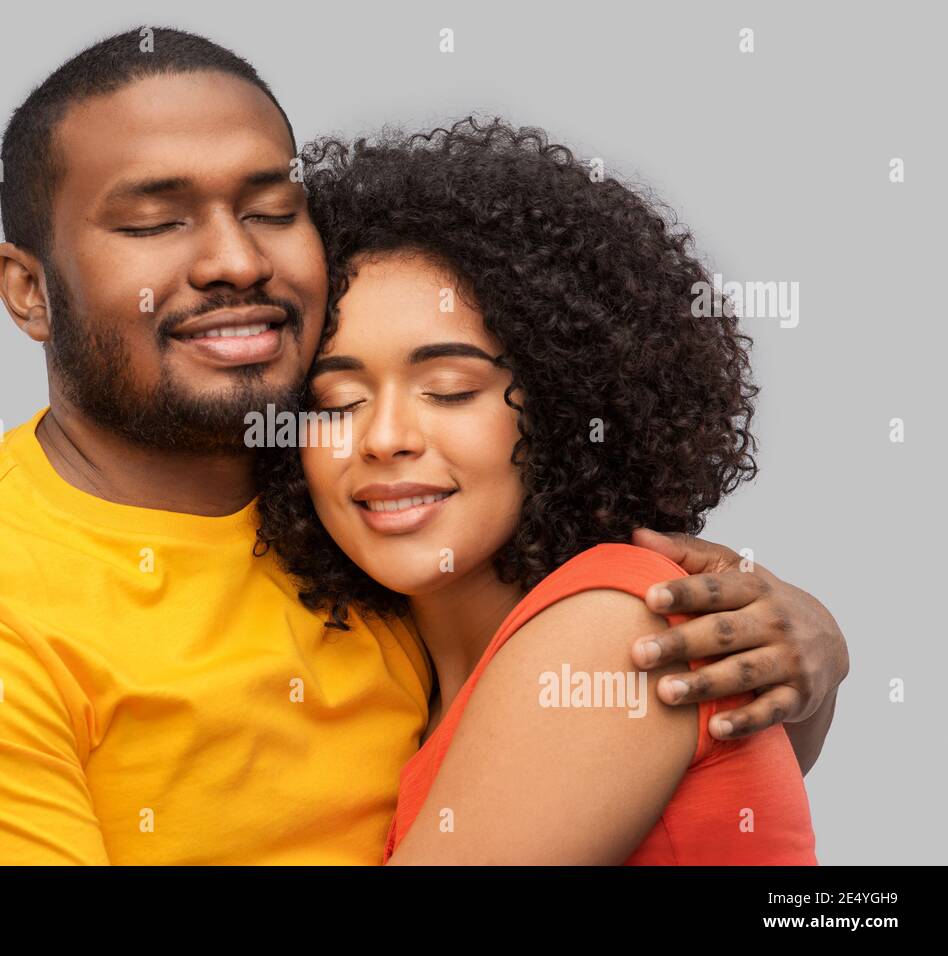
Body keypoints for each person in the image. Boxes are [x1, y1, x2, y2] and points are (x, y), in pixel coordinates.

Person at [0, 27, 847, 865]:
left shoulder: (391, 544)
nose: (231, 260)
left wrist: (805, 661)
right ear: (30, 288)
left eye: (270, 208)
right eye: (155, 220)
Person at [255, 118, 820, 863]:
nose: (384, 438)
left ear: (565, 406)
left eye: (451, 390)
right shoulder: (401, 687)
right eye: (335, 403)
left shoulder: (613, 632)